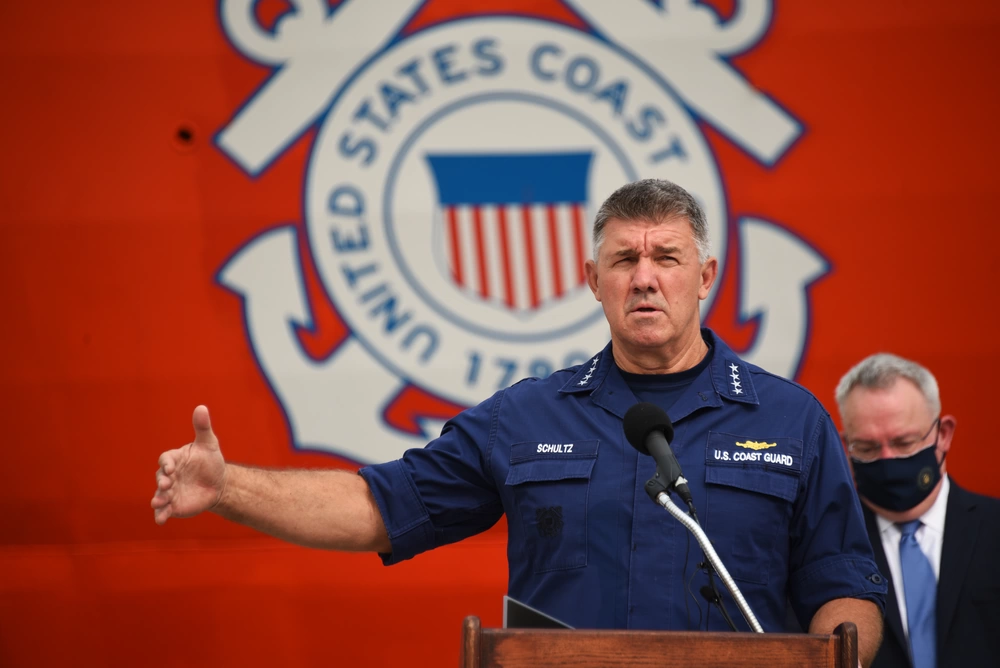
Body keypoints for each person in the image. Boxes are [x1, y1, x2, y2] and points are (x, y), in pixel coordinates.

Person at [153, 179, 886, 663]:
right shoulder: (528, 416)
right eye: (624, 259)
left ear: (707, 277)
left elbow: (843, 591)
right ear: (592, 280)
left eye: (667, 256)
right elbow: (380, 508)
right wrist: (226, 487)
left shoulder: (791, 420)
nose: (645, 276)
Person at [836, 353, 1000, 668]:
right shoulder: (828, 545)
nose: (887, 459)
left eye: (904, 442)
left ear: (943, 434)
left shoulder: (994, 531)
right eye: (867, 448)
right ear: (846, 446)